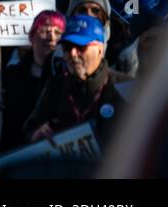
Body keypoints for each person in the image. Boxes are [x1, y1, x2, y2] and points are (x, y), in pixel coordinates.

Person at [23, 14, 128, 146]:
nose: (73, 53)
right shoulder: (57, 84)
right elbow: (30, 128)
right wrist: (36, 135)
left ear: (100, 49)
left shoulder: (125, 85)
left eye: (81, 47)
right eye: (67, 47)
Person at [0, 10, 65, 151]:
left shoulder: (68, 78)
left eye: (58, 33)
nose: (52, 38)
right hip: (16, 155)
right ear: (32, 36)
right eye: (45, 30)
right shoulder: (9, 77)